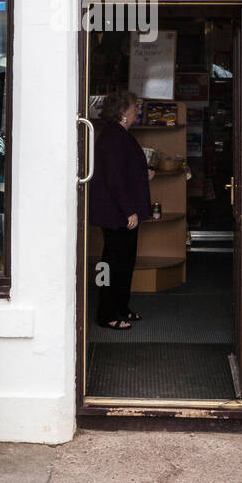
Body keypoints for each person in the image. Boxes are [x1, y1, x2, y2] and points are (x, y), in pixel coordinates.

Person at [88, 89, 154, 330]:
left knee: (123, 263)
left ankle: (121, 308)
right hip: (117, 214)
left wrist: (143, 173)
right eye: (134, 107)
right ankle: (107, 314)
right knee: (113, 264)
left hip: (119, 212)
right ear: (124, 112)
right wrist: (129, 211)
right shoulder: (115, 137)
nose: (137, 111)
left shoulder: (118, 134)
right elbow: (115, 179)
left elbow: (122, 171)